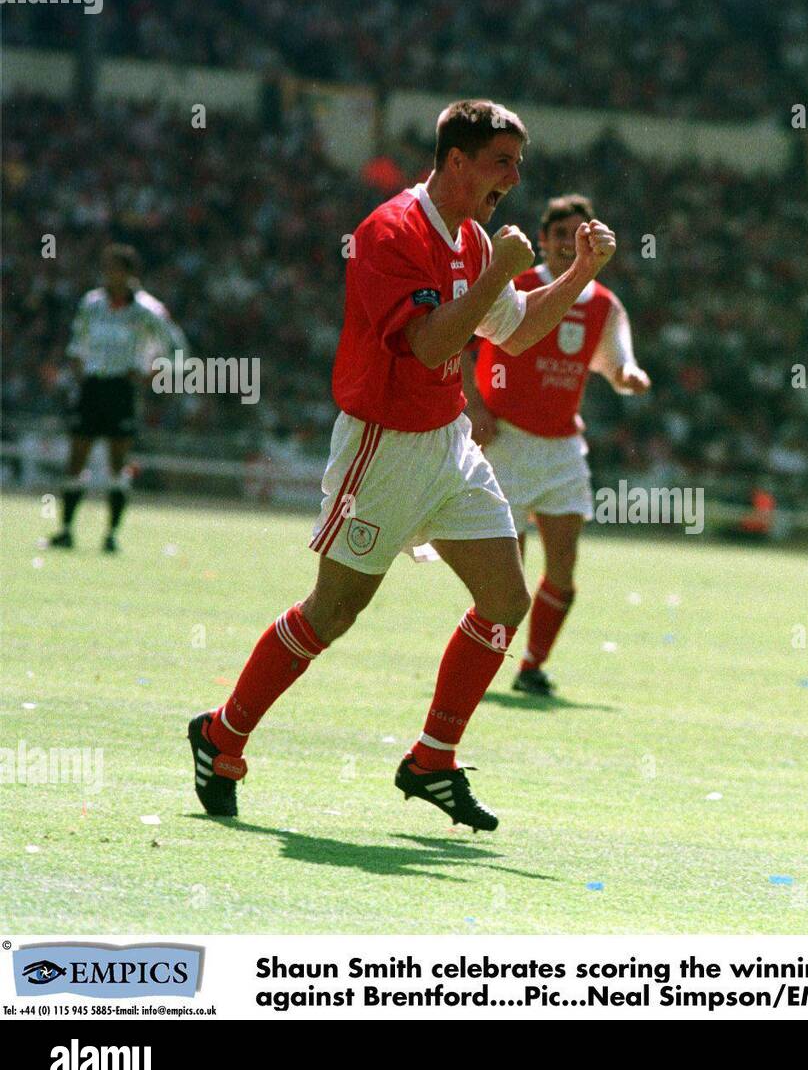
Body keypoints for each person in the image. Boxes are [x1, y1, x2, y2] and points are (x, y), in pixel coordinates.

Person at [187, 100, 618, 827]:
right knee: (333, 612)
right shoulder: (390, 232)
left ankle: (432, 760)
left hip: (448, 441)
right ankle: (221, 733)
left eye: (517, 164)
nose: (514, 178)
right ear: (456, 162)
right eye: (502, 163)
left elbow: (512, 335)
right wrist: (501, 272)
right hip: (381, 448)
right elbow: (424, 343)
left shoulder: (478, 241)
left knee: (506, 601)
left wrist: (577, 271)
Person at [467, 193, 650, 696]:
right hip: (505, 444)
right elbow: (463, 345)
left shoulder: (603, 304)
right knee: (508, 579)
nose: (572, 246)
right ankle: (479, 665)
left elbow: (615, 361)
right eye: (562, 236)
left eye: (582, 237)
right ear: (544, 239)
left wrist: (628, 376)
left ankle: (532, 665)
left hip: (562, 450)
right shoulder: (517, 285)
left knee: (564, 570)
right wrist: (475, 407)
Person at [49, 244, 186, 554]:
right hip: (92, 389)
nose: (108, 273)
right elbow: (76, 343)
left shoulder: (147, 311)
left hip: (122, 391)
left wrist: (150, 374)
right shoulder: (92, 304)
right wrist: (80, 373)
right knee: (76, 458)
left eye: (114, 268)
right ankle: (66, 530)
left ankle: (111, 535)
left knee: (117, 463)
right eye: (106, 267)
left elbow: (175, 345)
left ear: (128, 273)